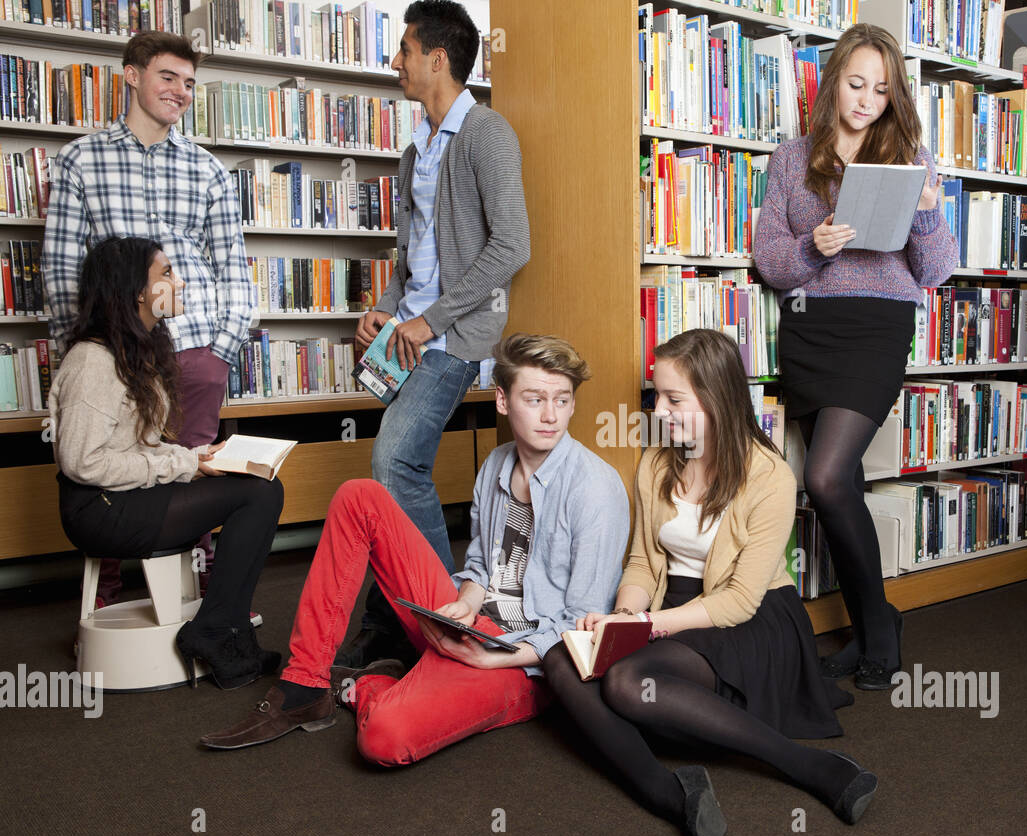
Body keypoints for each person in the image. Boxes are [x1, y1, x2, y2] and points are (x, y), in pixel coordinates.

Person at [198, 334, 627, 765]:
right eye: (534, 399)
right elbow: (479, 565)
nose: (551, 416)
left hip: (526, 664)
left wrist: (490, 659)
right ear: (502, 400)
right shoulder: (497, 463)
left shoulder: (595, 487)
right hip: (474, 626)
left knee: (385, 739)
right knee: (359, 496)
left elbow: (583, 630)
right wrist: (464, 603)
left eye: (562, 400)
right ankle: (304, 685)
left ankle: (371, 686)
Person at [542, 329, 872, 836]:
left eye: (675, 399)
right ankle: (666, 790)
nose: (661, 410)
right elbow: (642, 564)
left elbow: (740, 599)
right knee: (560, 659)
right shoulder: (654, 464)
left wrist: (650, 627)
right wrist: (625, 616)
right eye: (658, 396)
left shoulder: (770, 477)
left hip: (750, 618)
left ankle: (810, 766)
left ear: (716, 398)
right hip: (671, 606)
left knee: (625, 684)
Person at [753, 22, 958, 692]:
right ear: (833, 81)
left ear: (894, 93)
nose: (867, 98)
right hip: (812, 329)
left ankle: (880, 622)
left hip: (877, 327)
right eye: (856, 83)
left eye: (880, 87)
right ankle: (873, 631)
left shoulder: (909, 158)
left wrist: (926, 212)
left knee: (827, 477)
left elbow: (936, 271)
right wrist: (816, 245)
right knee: (841, 487)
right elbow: (771, 261)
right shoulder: (791, 160)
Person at [343, 0, 531, 670]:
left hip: (455, 336)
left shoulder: (486, 133)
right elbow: (412, 253)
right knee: (389, 480)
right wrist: (387, 309)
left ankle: (451, 613)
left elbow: (512, 245)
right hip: (408, 335)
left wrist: (431, 320)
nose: (395, 61)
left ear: (437, 58)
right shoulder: (414, 149)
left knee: (396, 466)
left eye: (403, 49)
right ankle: (391, 617)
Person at [43, 31, 256, 611]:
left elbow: (233, 265)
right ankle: (109, 596)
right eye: (168, 77)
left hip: (193, 346)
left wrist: (222, 349)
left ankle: (207, 598)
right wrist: (93, 349)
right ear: (132, 75)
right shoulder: (81, 160)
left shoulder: (207, 169)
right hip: (119, 351)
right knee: (111, 471)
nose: (181, 92)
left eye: (190, 82)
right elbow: (62, 266)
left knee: (198, 475)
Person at [48, 237, 282, 689]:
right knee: (259, 494)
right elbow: (82, 463)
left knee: (260, 483)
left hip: (127, 497)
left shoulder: (137, 350)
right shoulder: (92, 361)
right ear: (138, 290)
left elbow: (139, 445)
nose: (181, 281)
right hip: (99, 509)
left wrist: (195, 460)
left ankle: (220, 624)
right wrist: (179, 467)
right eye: (168, 273)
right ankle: (219, 629)